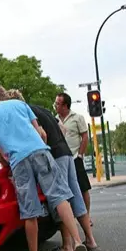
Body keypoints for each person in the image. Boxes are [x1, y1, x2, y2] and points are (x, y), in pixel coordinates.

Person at [0, 85, 92, 251]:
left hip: (18, 160)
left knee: (29, 209)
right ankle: (78, 241)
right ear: (3, 96)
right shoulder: (19, 104)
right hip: (40, 152)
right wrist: (41, 148)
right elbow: (41, 132)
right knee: (59, 196)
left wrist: (3, 162)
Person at [5, 89, 100, 251]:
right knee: (75, 196)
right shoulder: (43, 110)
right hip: (66, 153)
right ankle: (90, 240)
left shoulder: (25, 113)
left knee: (59, 198)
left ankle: (67, 246)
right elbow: (62, 129)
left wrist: (42, 153)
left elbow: (41, 134)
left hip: (54, 155)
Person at [55, 93, 93, 225]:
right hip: (62, 159)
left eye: (58, 104)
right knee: (67, 190)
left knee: (82, 188)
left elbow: (85, 136)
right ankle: (71, 217)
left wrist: (80, 155)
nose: (55, 106)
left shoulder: (77, 118)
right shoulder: (55, 120)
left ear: (65, 105)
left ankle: (87, 216)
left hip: (75, 157)